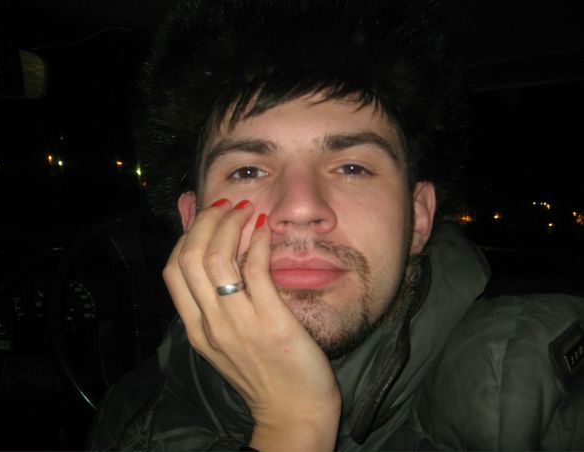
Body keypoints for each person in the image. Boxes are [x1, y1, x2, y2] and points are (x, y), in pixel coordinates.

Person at [86, 0, 584, 450]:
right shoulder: (129, 417)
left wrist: (294, 423)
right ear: (193, 220)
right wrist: (294, 423)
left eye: (351, 167)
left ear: (418, 218)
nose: (302, 207)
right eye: (249, 171)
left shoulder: (538, 395)